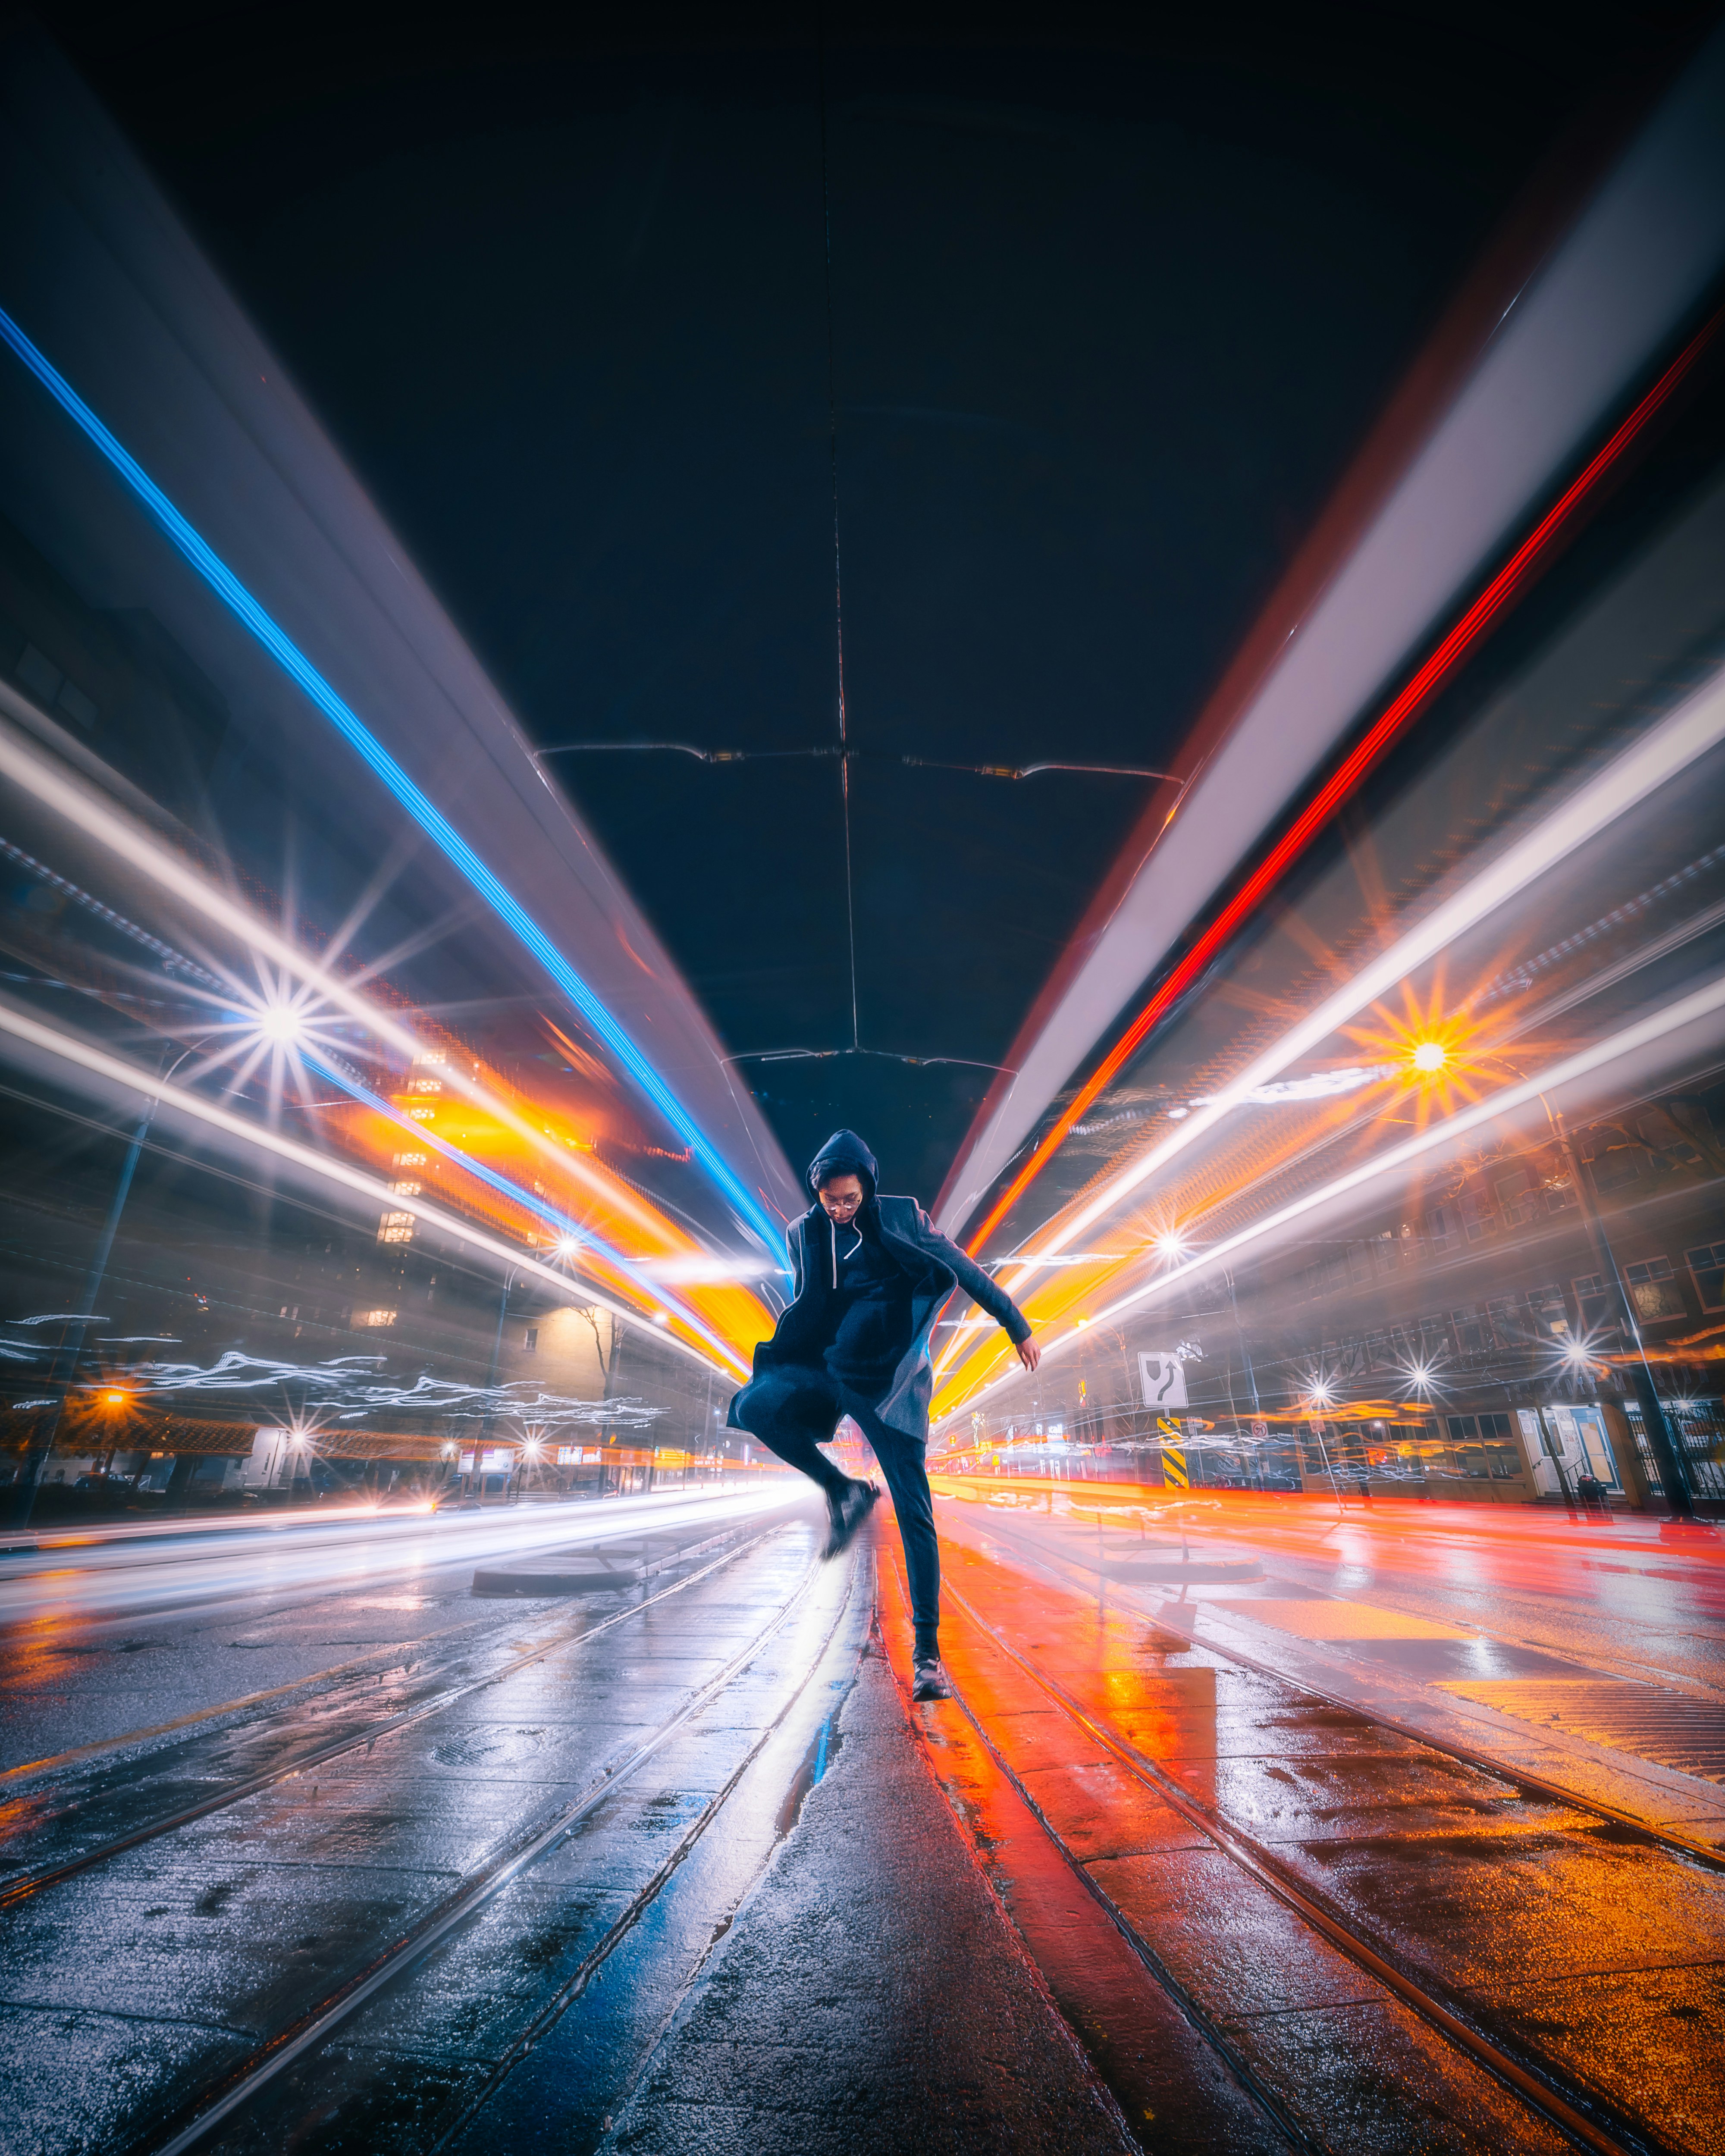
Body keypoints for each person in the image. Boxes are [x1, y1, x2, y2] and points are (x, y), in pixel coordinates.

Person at [728, 1129, 1038, 1701]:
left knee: (915, 1510)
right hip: (829, 1370)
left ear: (867, 1189)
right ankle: (843, 1489)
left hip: (889, 1380)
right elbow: (810, 1303)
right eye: (830, 1201)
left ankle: (928, 1656)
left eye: (849, 1199)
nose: (841, 1210)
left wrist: (1015, 1325)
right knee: (756, 1406)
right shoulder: (805, 1233)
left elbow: (963, 1269)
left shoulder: (902, 1218)